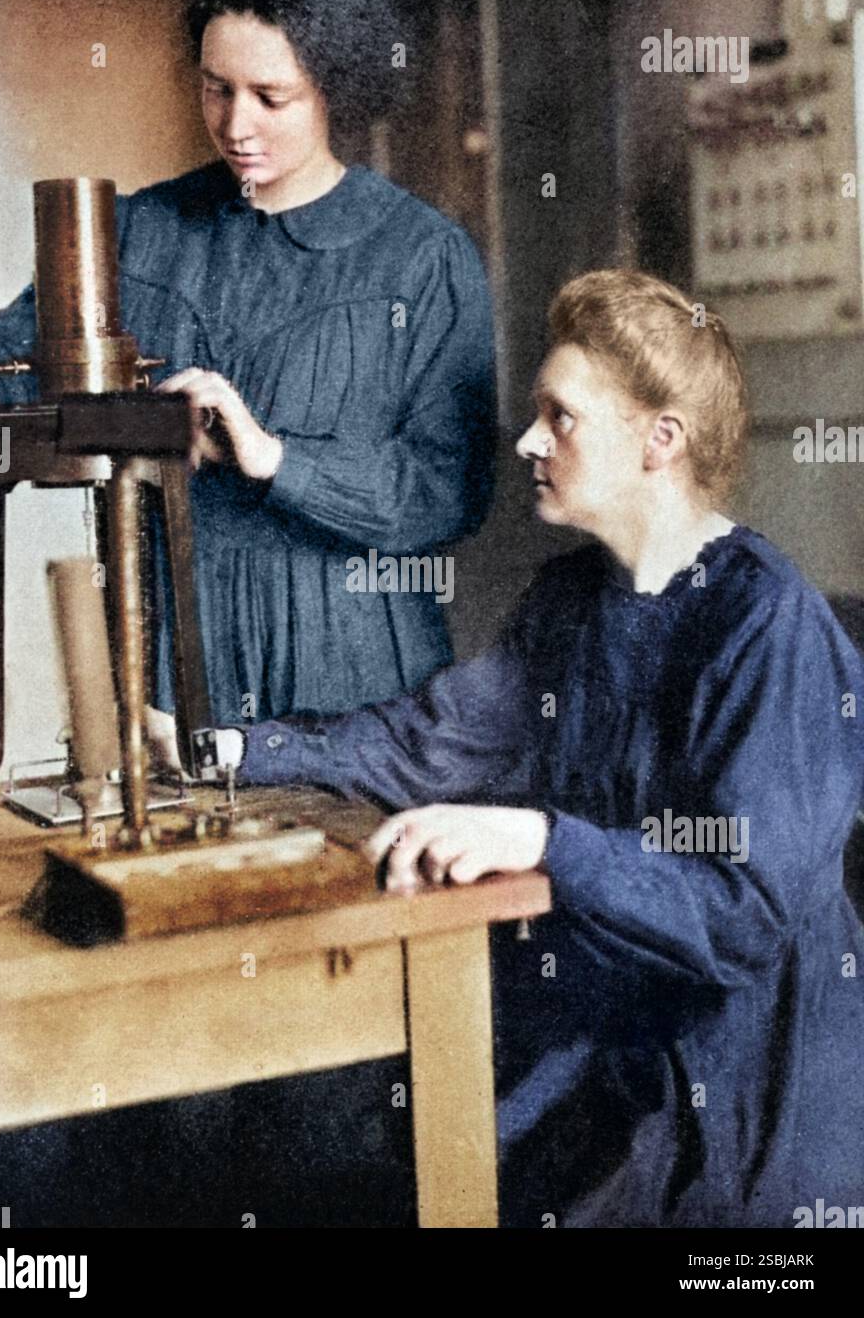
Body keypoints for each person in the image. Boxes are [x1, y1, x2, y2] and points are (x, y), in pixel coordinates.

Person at [205, 268, 864, 1227]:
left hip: (756, 1081)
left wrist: (543, 841)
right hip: (620, 1033)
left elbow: (743, 910)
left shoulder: (765, 622)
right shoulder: (570, 601)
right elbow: (425, 745)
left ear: (659, 440)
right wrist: (229, 749)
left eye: (560, 418)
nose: (527, 442)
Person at [0, 0, 496, 731]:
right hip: (175, 664)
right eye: (216, 89)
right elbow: (8, 381)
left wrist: (275, 458)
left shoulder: (420, 257)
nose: (237, 124)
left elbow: (451, 490)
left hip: (355, 671)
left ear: (333, 87)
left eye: (272, 97)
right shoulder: (140, 232)